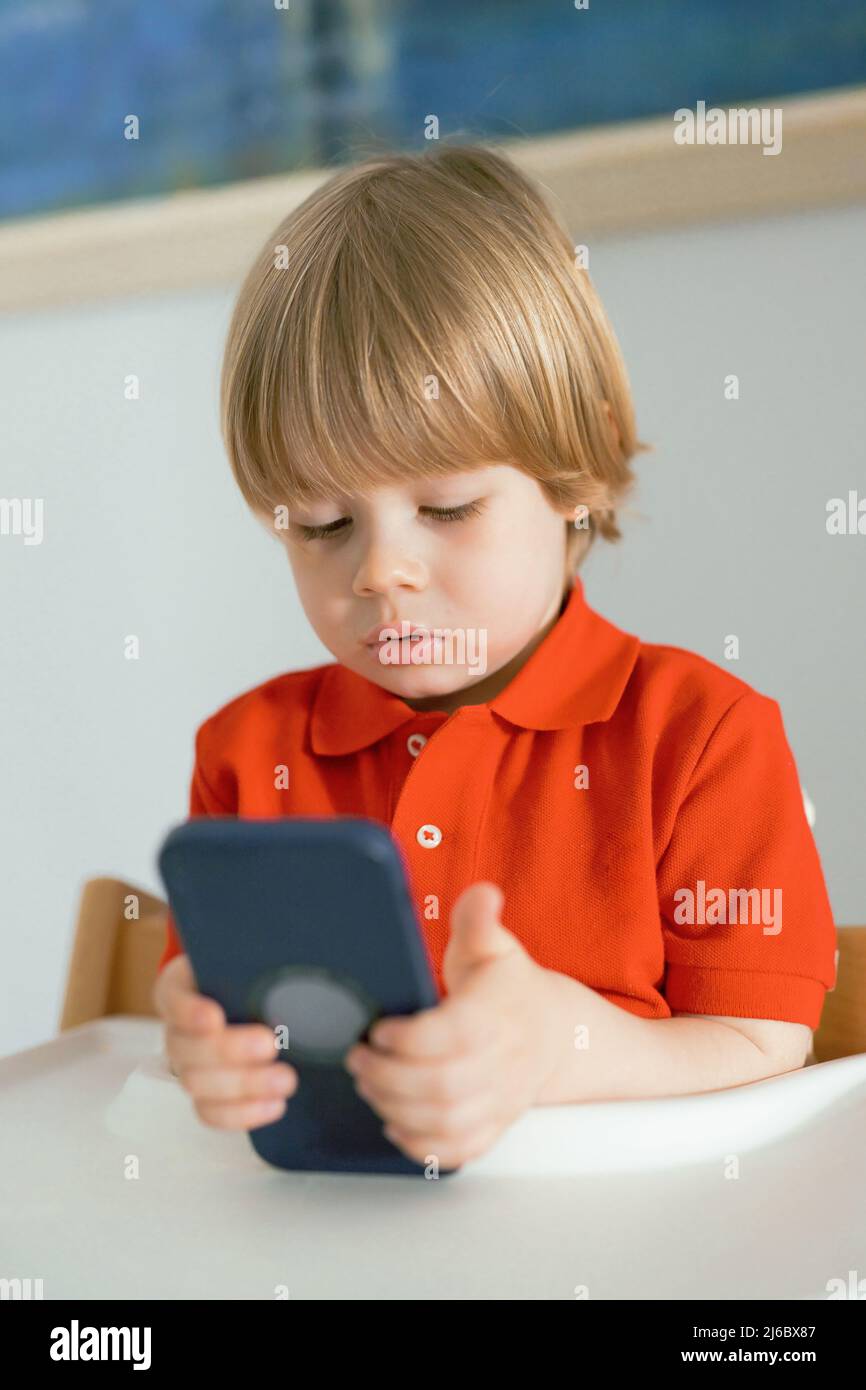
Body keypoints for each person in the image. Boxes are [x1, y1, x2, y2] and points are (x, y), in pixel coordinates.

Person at [153, 143, 836, 1170]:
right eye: (322, 525)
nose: (382, 569)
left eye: (446, 506)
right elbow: (205, 998)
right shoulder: (248, 750)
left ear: (578, 471)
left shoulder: (702, 739)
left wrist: (556, 1043)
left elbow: (763, 1048)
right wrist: (193, 1033)